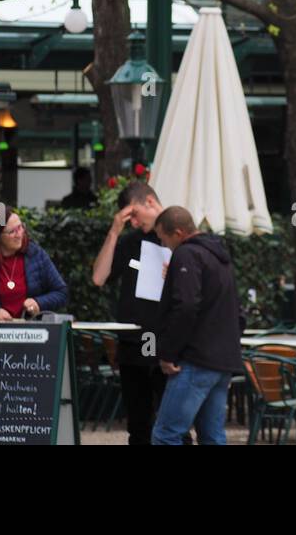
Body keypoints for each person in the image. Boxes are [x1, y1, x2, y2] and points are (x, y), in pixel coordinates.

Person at [150, 206, 244, 446]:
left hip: (196, 359)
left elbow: (186, 306)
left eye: (164, 239)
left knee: (165, 434)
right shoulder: (220, 256)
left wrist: (168, 352)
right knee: (212, 436)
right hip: (222, 360)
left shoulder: (187, 254)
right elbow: (236, 310)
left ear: (178, 233)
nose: (164, 246)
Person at [90, 180, 168, 445]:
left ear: (149, 202)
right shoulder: (130, 241)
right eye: (128, 218)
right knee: (138, 423)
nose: (133, 222)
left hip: (165, 342)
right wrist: (114, 232)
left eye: (133, 214)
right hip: (133, 342)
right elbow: (99, 278)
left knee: (172, 422)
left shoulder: (176, 237)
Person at [0, 208, 68, 321]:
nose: (19, 234)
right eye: (12, 231)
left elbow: (61, 292)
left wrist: (39, 303)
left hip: (32, 334)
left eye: (20, 227)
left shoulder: (35, 254)